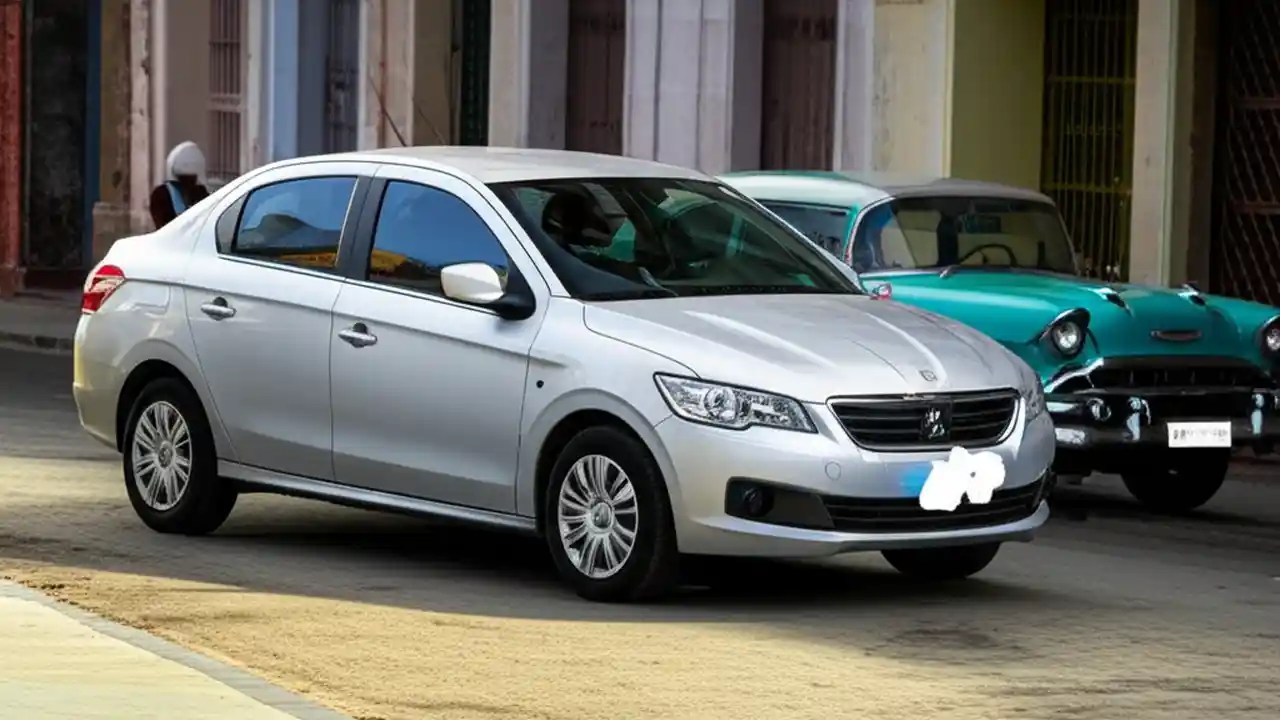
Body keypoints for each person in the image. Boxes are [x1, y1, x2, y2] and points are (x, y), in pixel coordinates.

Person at [149, 141, 210, 229]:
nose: (190, 181)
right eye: (186, 177)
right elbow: (161, 224)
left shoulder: (200, 193)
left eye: (192, 177)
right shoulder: (161, 194)